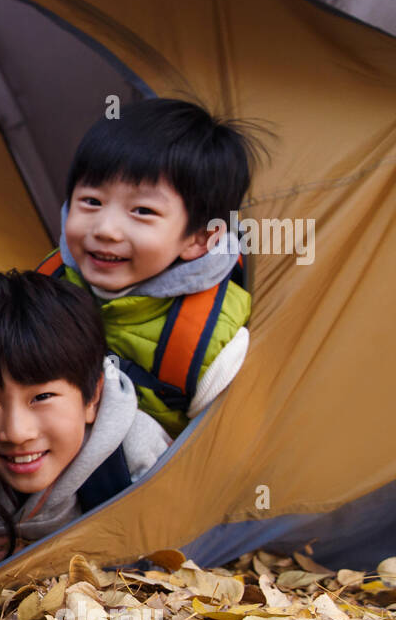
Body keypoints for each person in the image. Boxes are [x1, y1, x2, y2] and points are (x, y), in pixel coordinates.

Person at [41, 98, 265, 436]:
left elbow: (217, 456)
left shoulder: (210, 341)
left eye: (142, 211)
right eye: (91, 201)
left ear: (199, 239)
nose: (105, 229)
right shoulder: (50, 279)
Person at [0, 270, 171, 560]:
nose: (17, 433)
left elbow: (175, 555)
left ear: (92, 397)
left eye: (41, 398)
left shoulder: (137, 456)